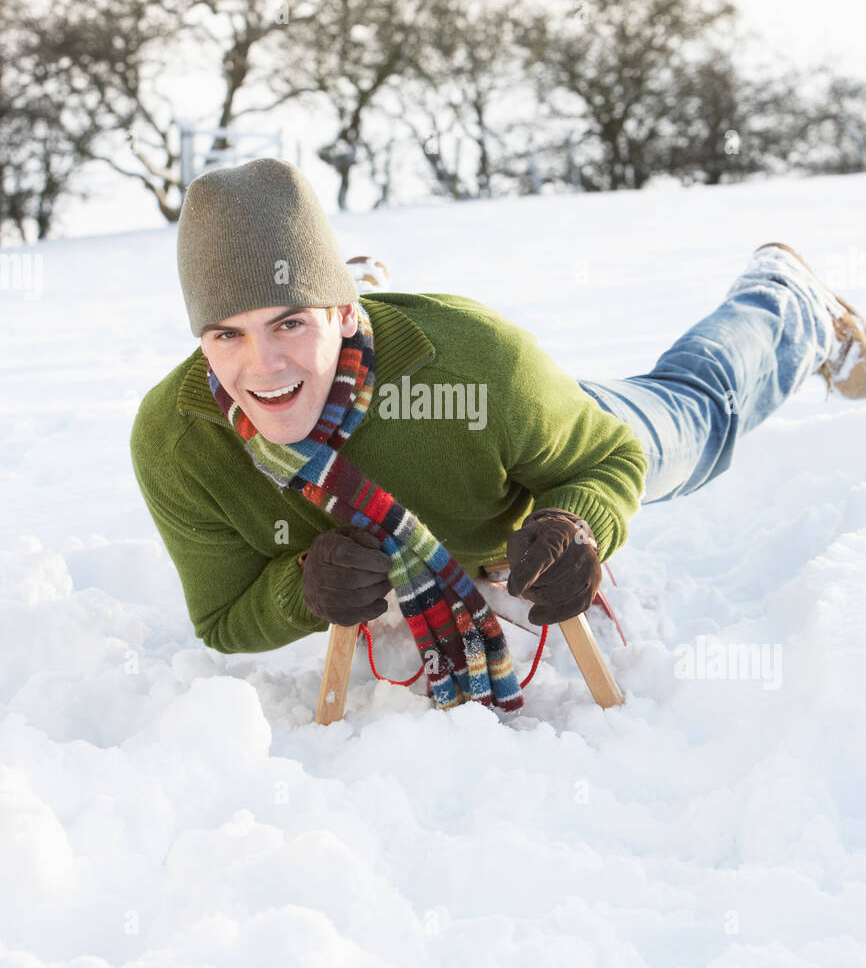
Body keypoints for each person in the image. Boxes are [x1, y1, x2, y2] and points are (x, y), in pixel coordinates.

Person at [130, 159, 866, 712]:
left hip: (524, 424)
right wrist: (303, 589)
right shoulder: (178, 441)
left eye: (289, 321)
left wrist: (577, 523)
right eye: (227, 335)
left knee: (689, 419)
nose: (262, 367)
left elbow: (608, 458)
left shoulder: (479, 364)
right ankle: (342, 287)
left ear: (343, 316)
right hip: (391, 367)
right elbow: (224, 618)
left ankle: (788, 301)